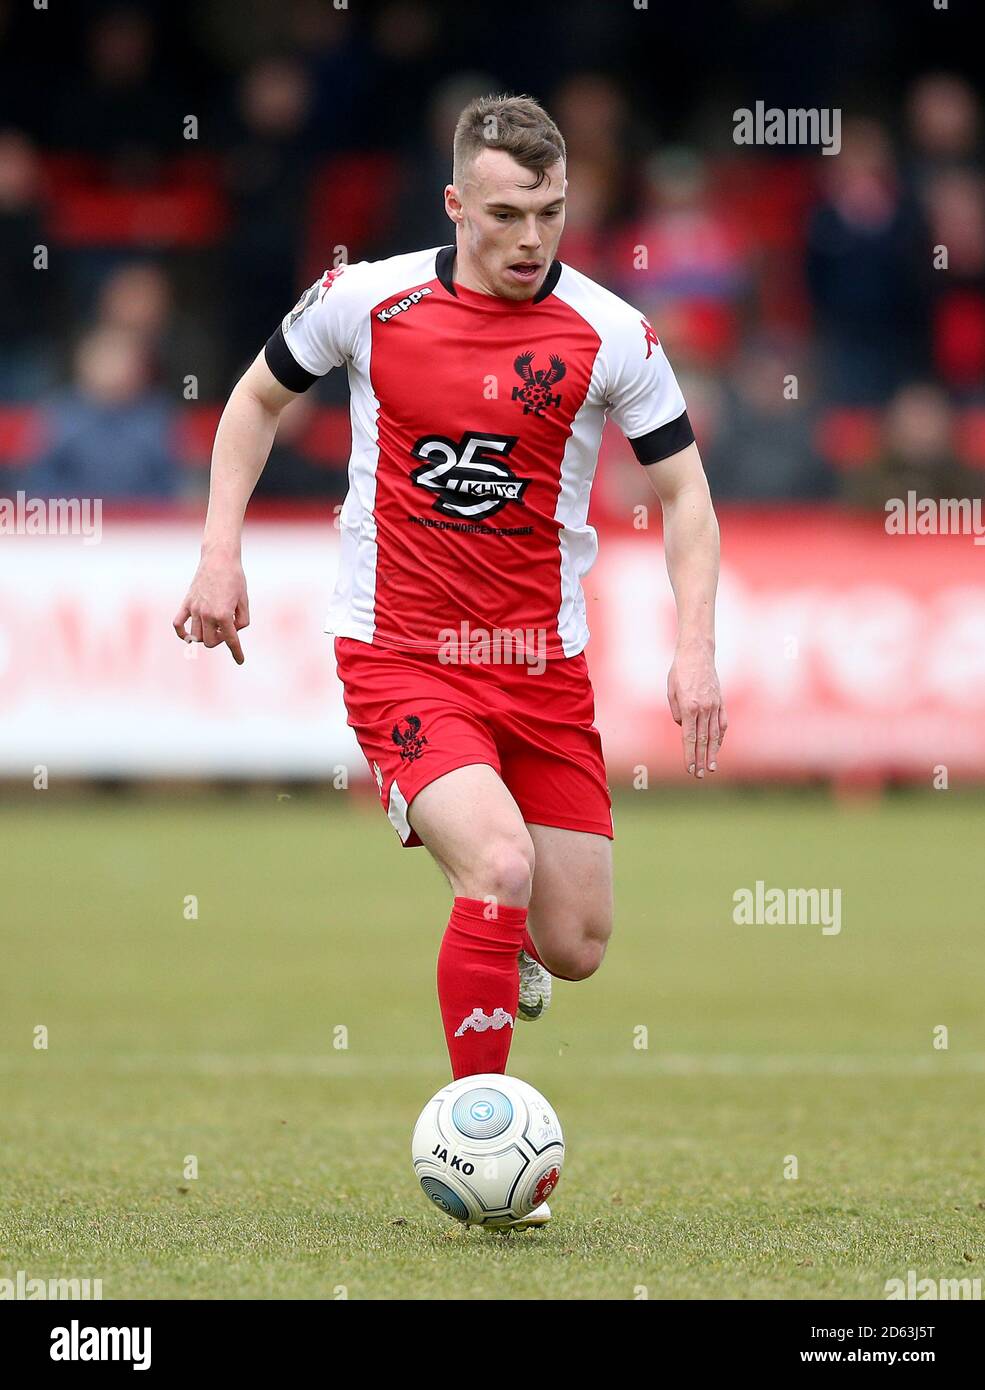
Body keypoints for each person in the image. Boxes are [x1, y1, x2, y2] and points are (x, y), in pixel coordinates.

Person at [173, 94, 726, 1224]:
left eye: (553, 213)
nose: (532, 238)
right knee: (500, 869)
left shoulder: (612, 332)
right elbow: (252, 402)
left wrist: (696, 649)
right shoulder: (364, 299)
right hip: (402, 654)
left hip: (542, 669)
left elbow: (685, 496)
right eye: (507, 214)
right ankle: (482, 1137)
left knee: (572, 943)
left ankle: (490, 902)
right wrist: (218, 553)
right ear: (455, 205)